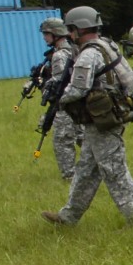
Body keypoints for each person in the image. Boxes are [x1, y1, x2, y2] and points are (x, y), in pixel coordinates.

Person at [41, 5, 133, 228]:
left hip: (103, 121)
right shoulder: (106, 44)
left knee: (115, 172)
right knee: (86, 171)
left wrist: (58, 99)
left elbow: (78, 89)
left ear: (78, 29)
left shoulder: (88, 54)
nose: (69, 35)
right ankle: (68, 217)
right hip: (100, 119)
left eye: (71, 30)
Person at [38, 17, 82, 181]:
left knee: (62, 141)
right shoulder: (75, 49)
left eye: (46, 34)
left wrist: (45, 86)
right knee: (83, 137)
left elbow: (59, 83)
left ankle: (70, 176)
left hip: (65, 104)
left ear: (55, 34)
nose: (44, 37)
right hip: (79, 102)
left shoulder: (59, 55)